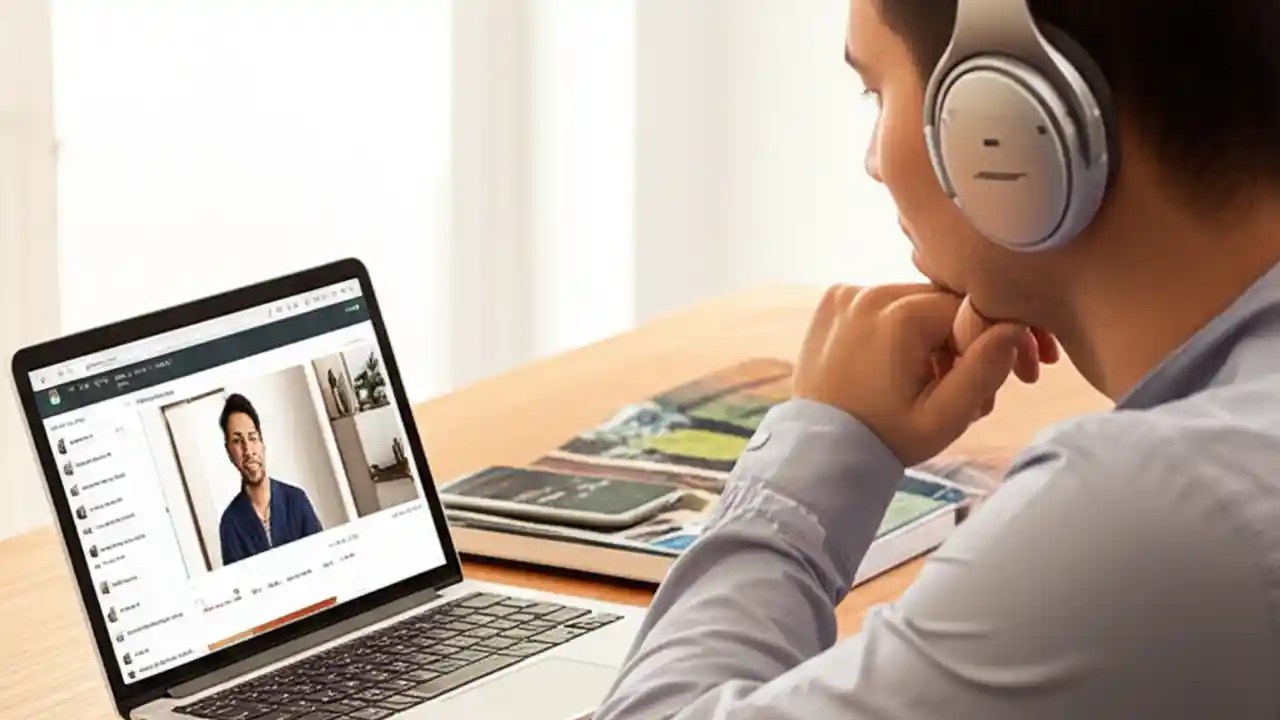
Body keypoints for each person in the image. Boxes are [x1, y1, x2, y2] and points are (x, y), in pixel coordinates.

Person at [596, 1, 1280, 718]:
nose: (871, 162)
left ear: (1005, 120)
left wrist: (824, 443)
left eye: (876, 92)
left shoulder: (1152, 515)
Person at [217, 393, 323, 565]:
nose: (248, 450)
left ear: (262, 443)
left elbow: (324, 562)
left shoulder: (296, 500)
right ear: (229, 452)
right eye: (237, 441)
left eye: (252, 438)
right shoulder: (230, 523)